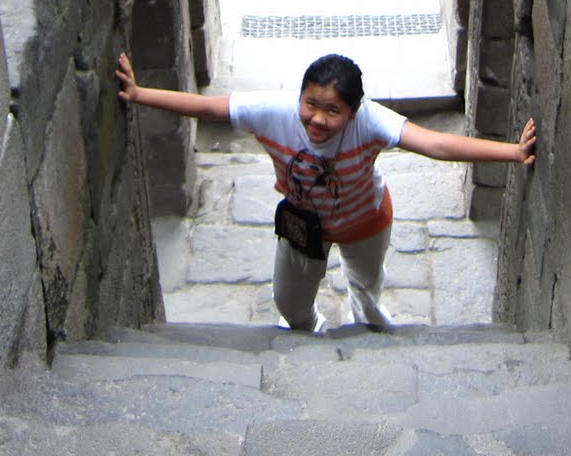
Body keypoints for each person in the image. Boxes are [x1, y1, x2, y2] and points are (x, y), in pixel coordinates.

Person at [114, 51, 536, 332]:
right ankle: (309, 328)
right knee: (289, 301)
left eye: (332, 110)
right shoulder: (274, 111)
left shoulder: (370, 121)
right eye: (311, 104)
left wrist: (514, 153)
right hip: (303, 225)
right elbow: (208, 108)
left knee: (366, 285)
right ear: (299, 96)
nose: (316, 120)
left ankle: (368, 318)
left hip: (365, 222)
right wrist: (138, 94)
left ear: (352, 112)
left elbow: (436, 144)